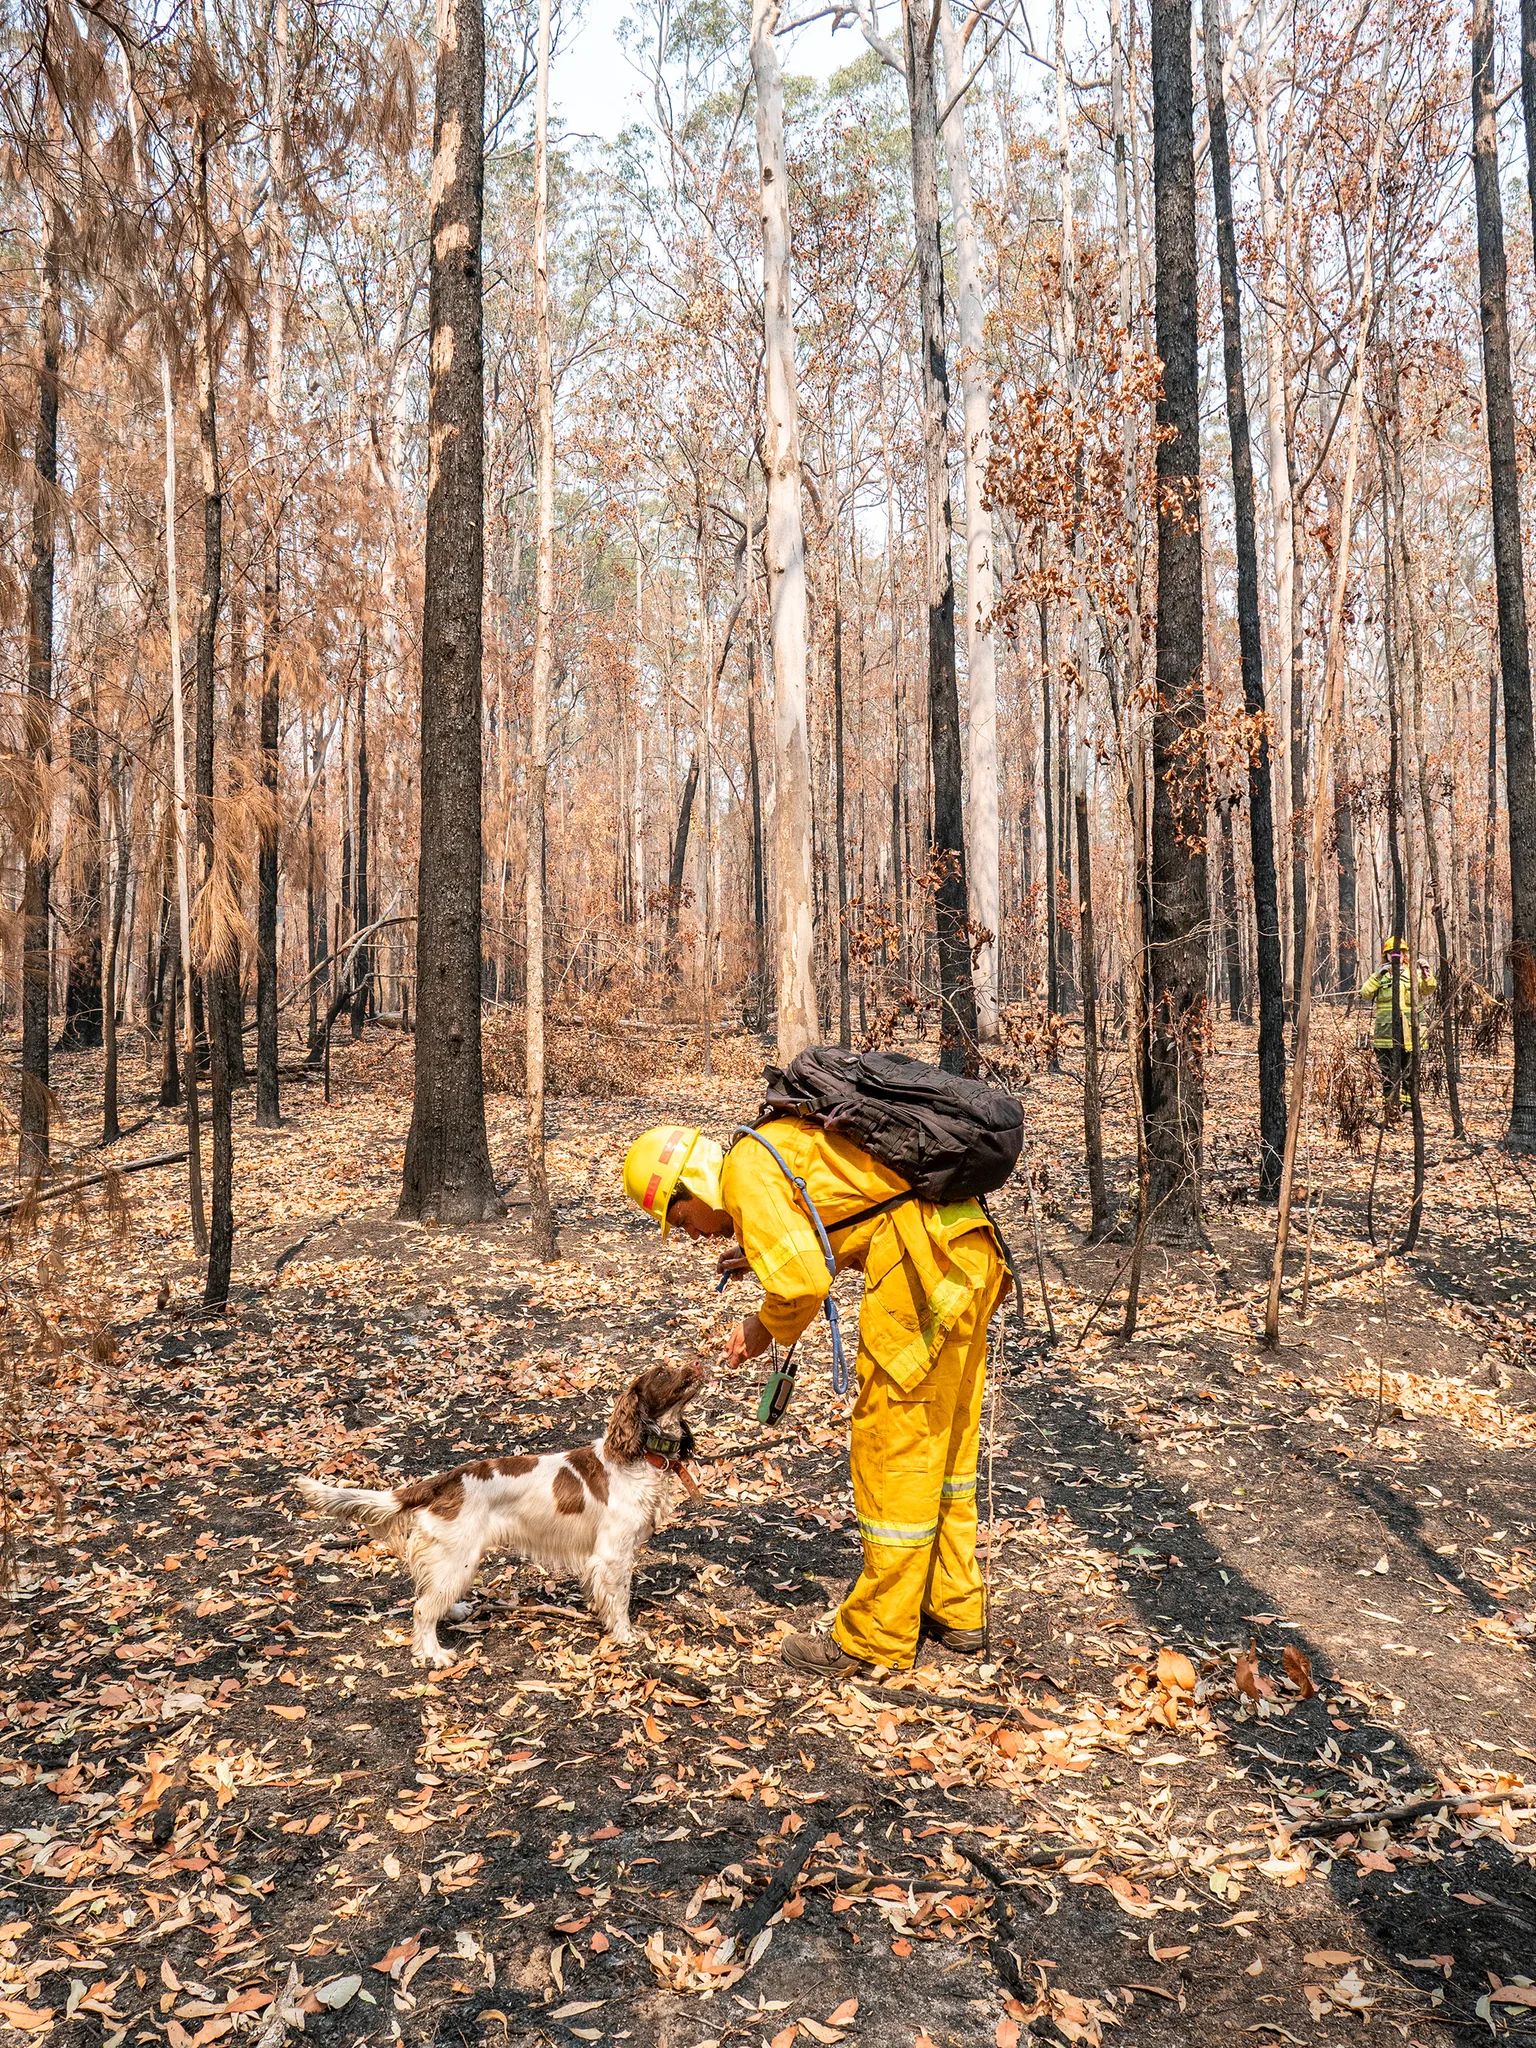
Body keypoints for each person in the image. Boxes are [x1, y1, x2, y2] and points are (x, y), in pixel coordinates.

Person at [622, 1119, 1007, 1679]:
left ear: (693, 1186)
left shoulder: (747, 1173)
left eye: (680, 1219)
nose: (690, 1234)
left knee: (891, 1455)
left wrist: (763, 1327)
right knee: (942, 1449)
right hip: (966, 1257)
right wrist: (757, 1257)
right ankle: (954, 1605)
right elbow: (840, 1217)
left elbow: (803, 1283)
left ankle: (877, 1636)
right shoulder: (767, 1152)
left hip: (921, 1276)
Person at [1358, 938, 1435, 1110]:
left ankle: (1408, 1108)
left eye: (1399, 952)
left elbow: (1429, 988)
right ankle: (1389, 1106)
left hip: (1411, 1034)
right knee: (1387, 1072)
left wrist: (1426, 971)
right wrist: (1379, 975)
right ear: (1386, 955)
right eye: (1392, 953)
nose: (1396, 955)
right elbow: (1365, 993)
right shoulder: (1381, 975)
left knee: (1409, 1073)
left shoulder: (1413, 974)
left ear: (1404, 954)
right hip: (1386, 1034)